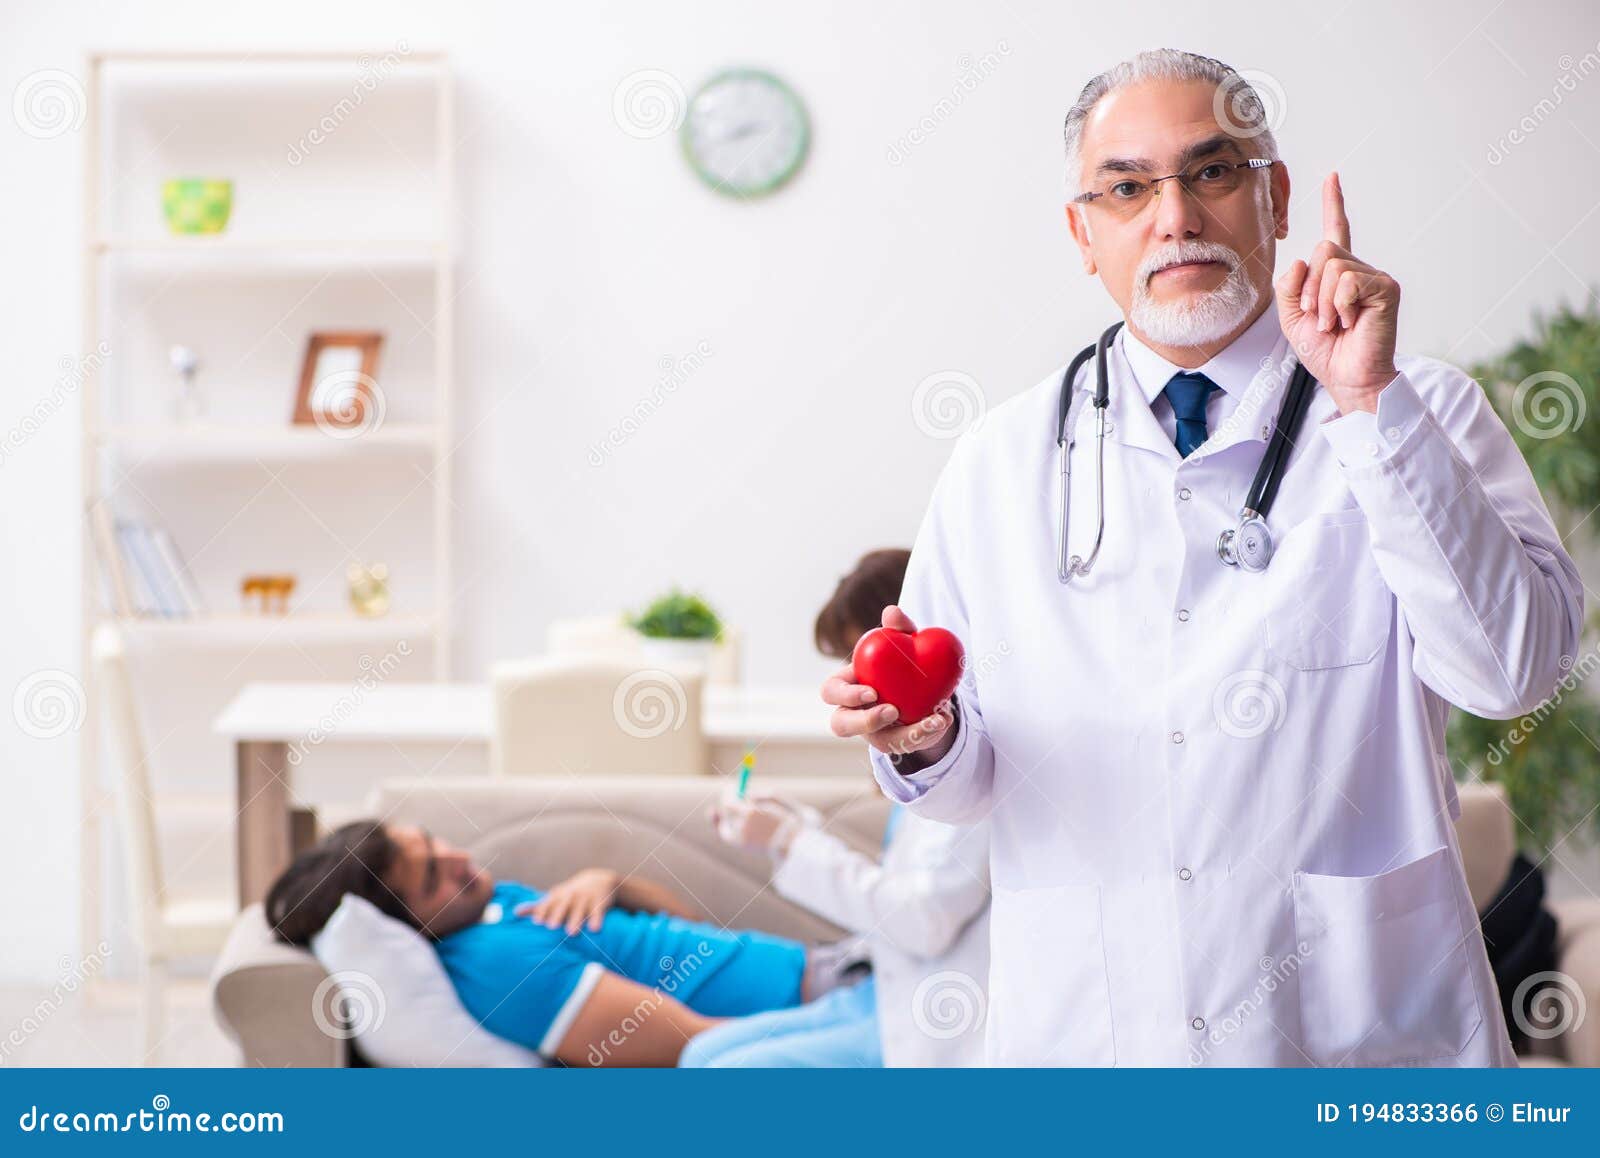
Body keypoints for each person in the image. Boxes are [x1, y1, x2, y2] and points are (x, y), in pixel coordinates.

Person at [821, 49, 1582, 1067]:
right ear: (1083, 234)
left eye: (1210, 173)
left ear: (1271, 200)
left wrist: (1366, 407)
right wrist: (921, 736)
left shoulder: (1421, 410)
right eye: (1127, 187)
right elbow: (962, 794)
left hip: (1360, 1045)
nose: (1173, 215)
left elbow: (1511, 673)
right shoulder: (997, 464)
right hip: (1085, 1042)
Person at [682, 549, 991, 1067]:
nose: (856, 679)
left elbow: (924, 919)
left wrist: (789, 841)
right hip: (880, 992)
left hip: (925, 1019)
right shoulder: (915, 760)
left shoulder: (969, 753)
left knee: (719, 1070)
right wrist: (791, 826)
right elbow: (903, 881)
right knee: (700, 1053)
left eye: (861, 652)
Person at [265, 821, 849, 1066]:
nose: (457, 859)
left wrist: (612, 885)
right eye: (431, 878)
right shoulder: (497, 968)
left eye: (432, 842)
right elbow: (688, 1043)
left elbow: (693, 929)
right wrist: (848, 1027)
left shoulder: (493, 906)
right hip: (817, 1002)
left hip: (819, 968)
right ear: (412, 926)